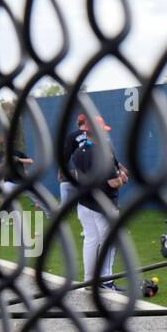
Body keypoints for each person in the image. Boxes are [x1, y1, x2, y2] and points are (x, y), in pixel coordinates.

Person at [68, 117, 127, 288]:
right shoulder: (101, 152)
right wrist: (122, 179)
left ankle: (89, 280)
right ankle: (106, 280)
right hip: (104, 205)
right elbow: (112, 182)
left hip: (85, 203)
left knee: (91, 241)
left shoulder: (79, 152)